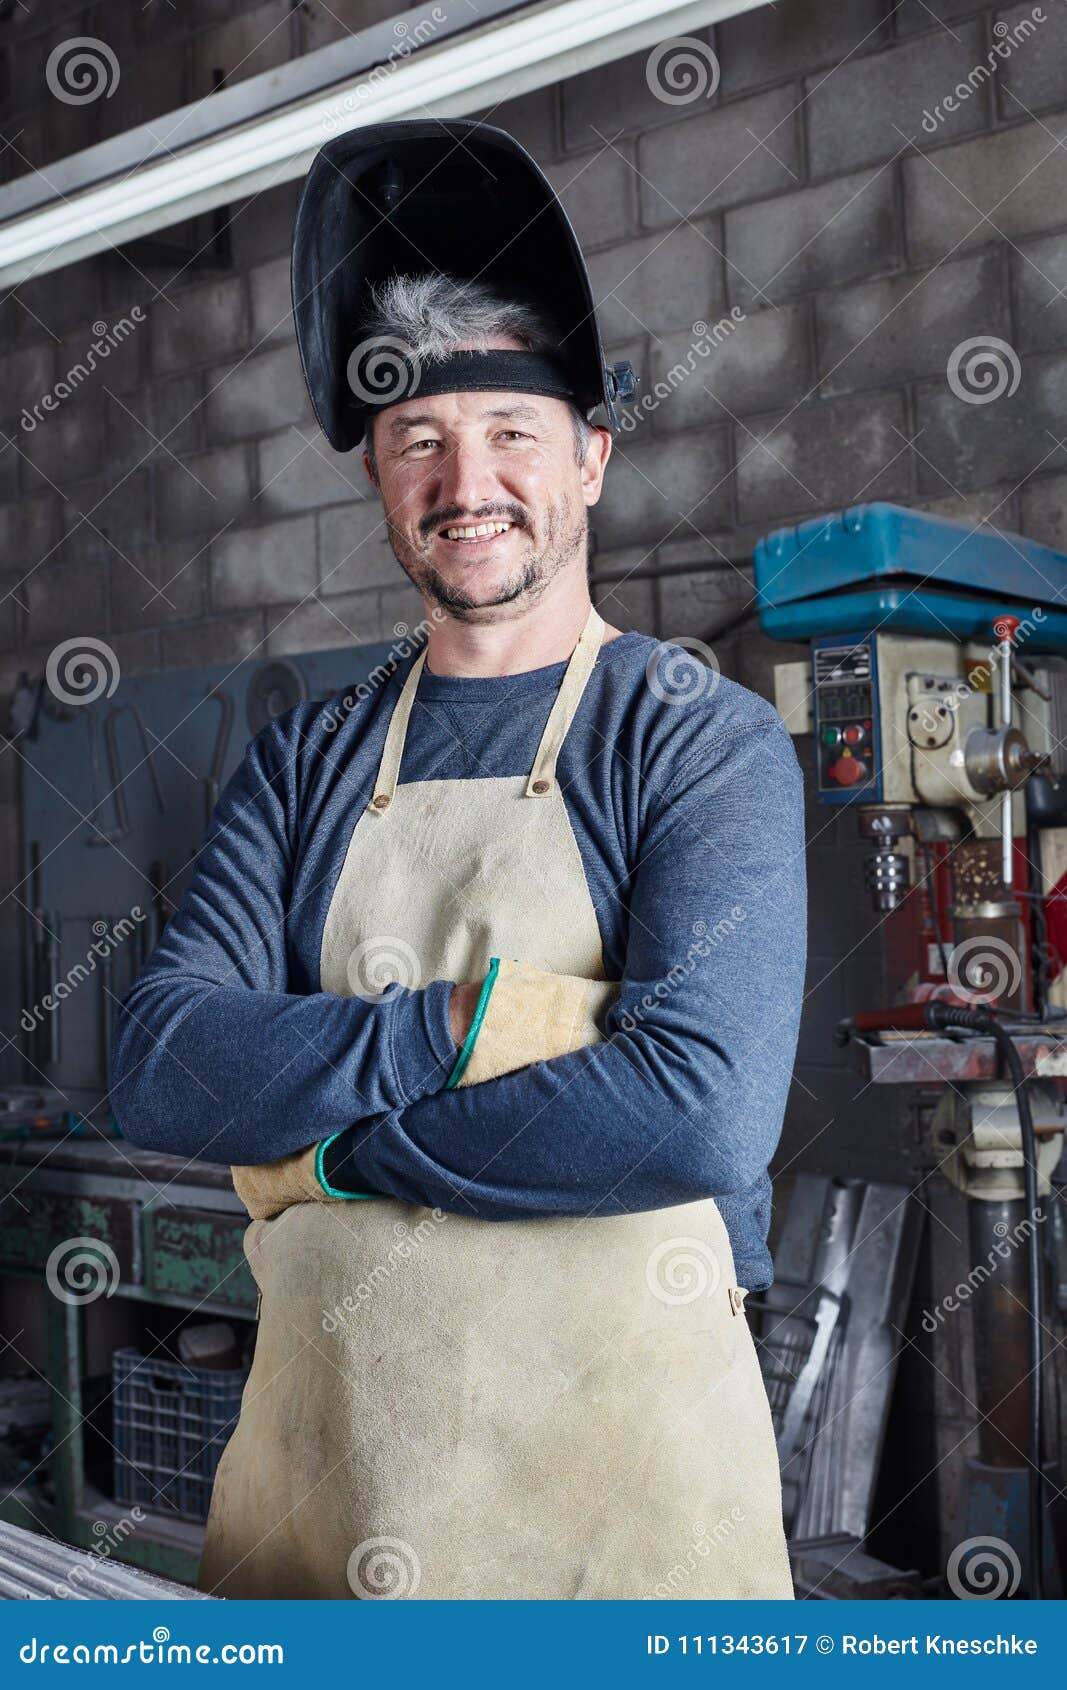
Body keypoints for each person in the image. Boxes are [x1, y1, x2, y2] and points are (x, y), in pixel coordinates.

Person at [110, 121, 807, 1601]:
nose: (465, 475)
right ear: (378, 476)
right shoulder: (308, 758)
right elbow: (166, 1061)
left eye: (511, 432)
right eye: (418, 440)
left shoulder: (696, 742)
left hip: (623, 1541)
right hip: (323, 1499)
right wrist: (476, 1027)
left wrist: (338, 1153)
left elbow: (693, 1112)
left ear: (593, 458)